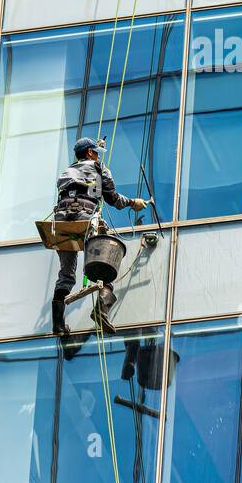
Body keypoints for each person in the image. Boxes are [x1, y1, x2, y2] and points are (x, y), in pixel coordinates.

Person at [51, 136, 148, 337]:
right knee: (107, 257)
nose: (97, 156)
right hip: (85, 217)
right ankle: (101, 311)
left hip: (62, 220)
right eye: (95, 152)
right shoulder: (99, 169)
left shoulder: (66, 172)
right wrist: (133, 202)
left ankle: (58, 325)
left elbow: (84, 187)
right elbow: (112, 198)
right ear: (89, 152)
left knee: (66, 274)